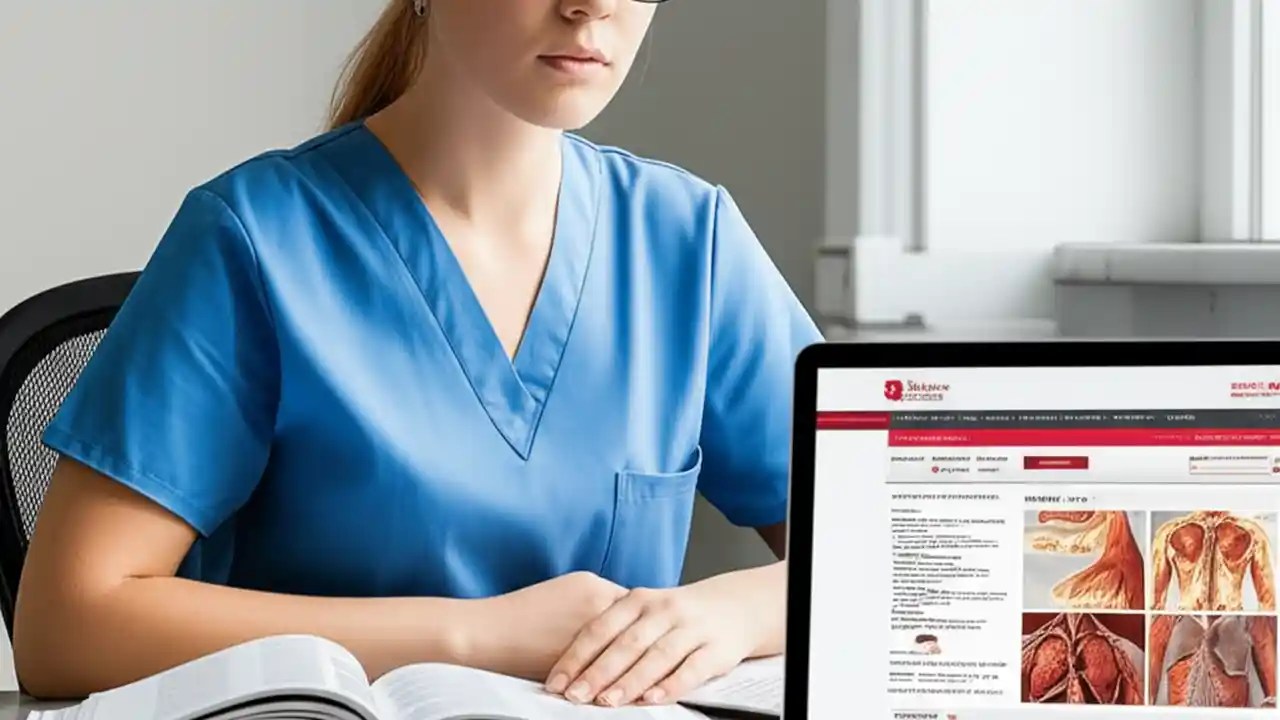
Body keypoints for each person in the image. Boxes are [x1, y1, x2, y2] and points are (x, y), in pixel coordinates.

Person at [12, 0, 822, 707]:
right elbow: (67, 626)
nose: (593, 4)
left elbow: (909, 553)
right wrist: (478, 635)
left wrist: (735, 612)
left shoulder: (688, 240)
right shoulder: (253, 238)